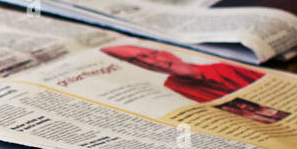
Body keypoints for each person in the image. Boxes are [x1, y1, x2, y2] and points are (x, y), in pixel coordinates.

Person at [101, 45, 264, 103]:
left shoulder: (228, 67)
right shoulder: (171, 89)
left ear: (168, 53)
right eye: (137, 61)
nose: (152, 62)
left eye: (150, 55)